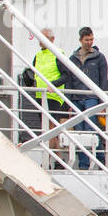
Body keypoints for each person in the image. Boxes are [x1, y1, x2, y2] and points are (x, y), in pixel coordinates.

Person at [68, 26, 108, 169]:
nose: (89, 42)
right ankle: (85, 164)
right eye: (87, 40)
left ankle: (98, 159)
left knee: (90, 129)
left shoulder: (99, 57)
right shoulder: (72, 58)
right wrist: (69, 100)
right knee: (80, 131)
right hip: (76, 98)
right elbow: (69, 80)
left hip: (92, 97)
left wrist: (102, 102)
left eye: (91, 39)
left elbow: (103, 81)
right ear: (80, 40)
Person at [30, 28, 70, 158]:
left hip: (53, 97)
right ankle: (56, 160)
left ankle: (51, 159)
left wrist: (53, 85)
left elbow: (66, 75)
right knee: (48, 130)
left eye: (44, 38)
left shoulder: (58, 54)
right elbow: (32, 72)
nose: (40, 41)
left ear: (52, 39)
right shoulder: (38, 55)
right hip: (40, 96)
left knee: (50, 129)